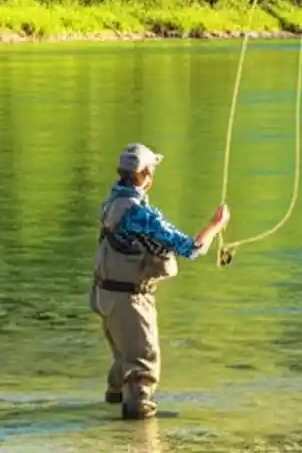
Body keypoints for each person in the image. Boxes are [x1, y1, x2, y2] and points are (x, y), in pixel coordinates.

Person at [89, 142, 230, 420]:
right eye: (151, 170)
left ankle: (114, 399)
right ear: (143, 175)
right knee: (144, 364)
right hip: (129, 299)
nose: (152, 174)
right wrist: (217, 224)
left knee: (125, 354)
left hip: (104, 295)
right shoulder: (140, 213)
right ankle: (139, 420)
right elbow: (191, 248)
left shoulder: (111, 203)